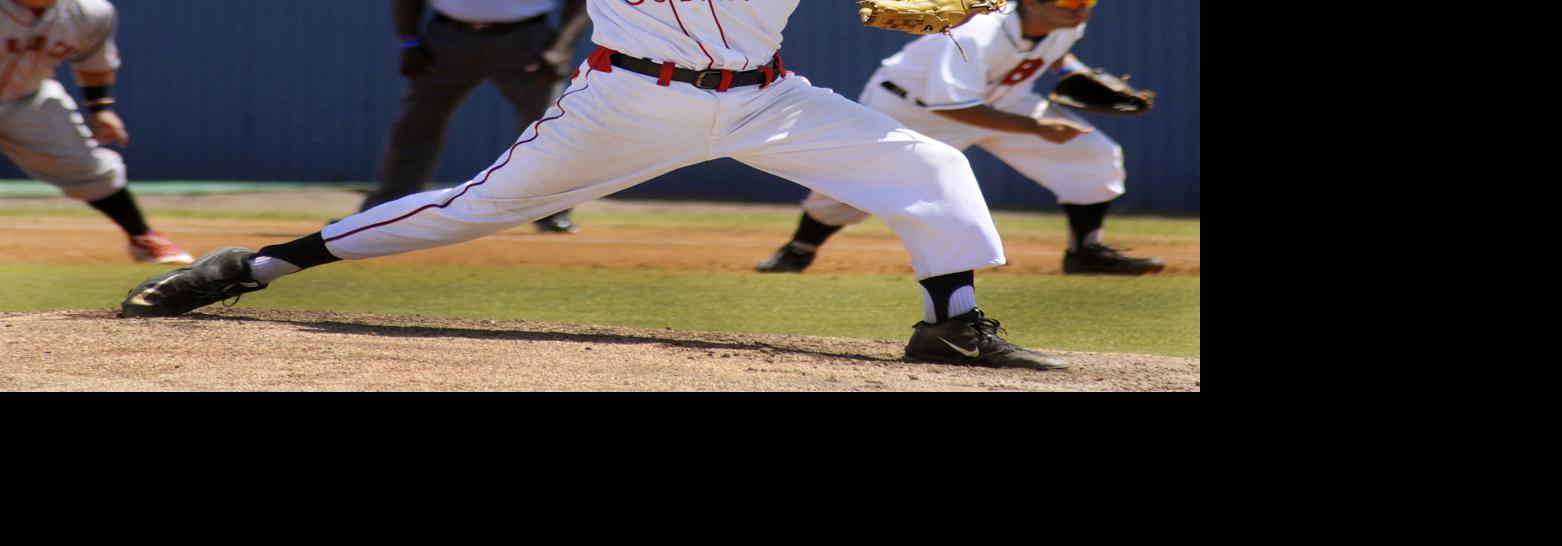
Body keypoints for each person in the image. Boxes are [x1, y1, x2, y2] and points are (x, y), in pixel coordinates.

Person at [120, 0, 1069, 371]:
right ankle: (254, 266)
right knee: (472, 208)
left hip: (768, 99)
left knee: (930, 161)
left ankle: (950, 320)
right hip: (624, 101)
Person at [756, 0, 1164, 276]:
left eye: (1086, 3)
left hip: (999, 100)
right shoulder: (978, 33)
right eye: (1072, 4)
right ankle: (799, 250)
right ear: (1034, 3)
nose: (1081, 10)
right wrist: (1038, 129)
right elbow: (951, 108)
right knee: (851, 189)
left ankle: (1086, 251)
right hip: (914, 108)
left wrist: (1068, 74)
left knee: (1092, 153)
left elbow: (1056, 52)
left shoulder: (1064, 23)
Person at [361, 0, 590, 234]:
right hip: (447, 39)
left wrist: (561, 47)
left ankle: (551, 213)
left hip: (526, 41)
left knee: (549, 129)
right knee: (414, 126)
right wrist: (409, 41)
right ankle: (385, 212)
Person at [0, 0, 191, 264]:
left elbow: (94, 60)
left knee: (86, 168)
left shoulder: (89, 12)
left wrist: (100, 108)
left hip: (28, 99)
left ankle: (143, 237)